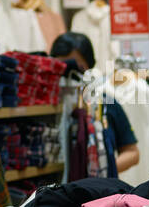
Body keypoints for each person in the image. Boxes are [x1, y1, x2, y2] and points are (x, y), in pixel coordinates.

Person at [50, 32, 139, 174]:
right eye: (62, 68)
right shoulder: (47, 107)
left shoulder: (105, 104)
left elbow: (132, 152)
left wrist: (102, 169)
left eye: (76, 68)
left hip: (98, 191)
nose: (69, 75)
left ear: (88, 66)